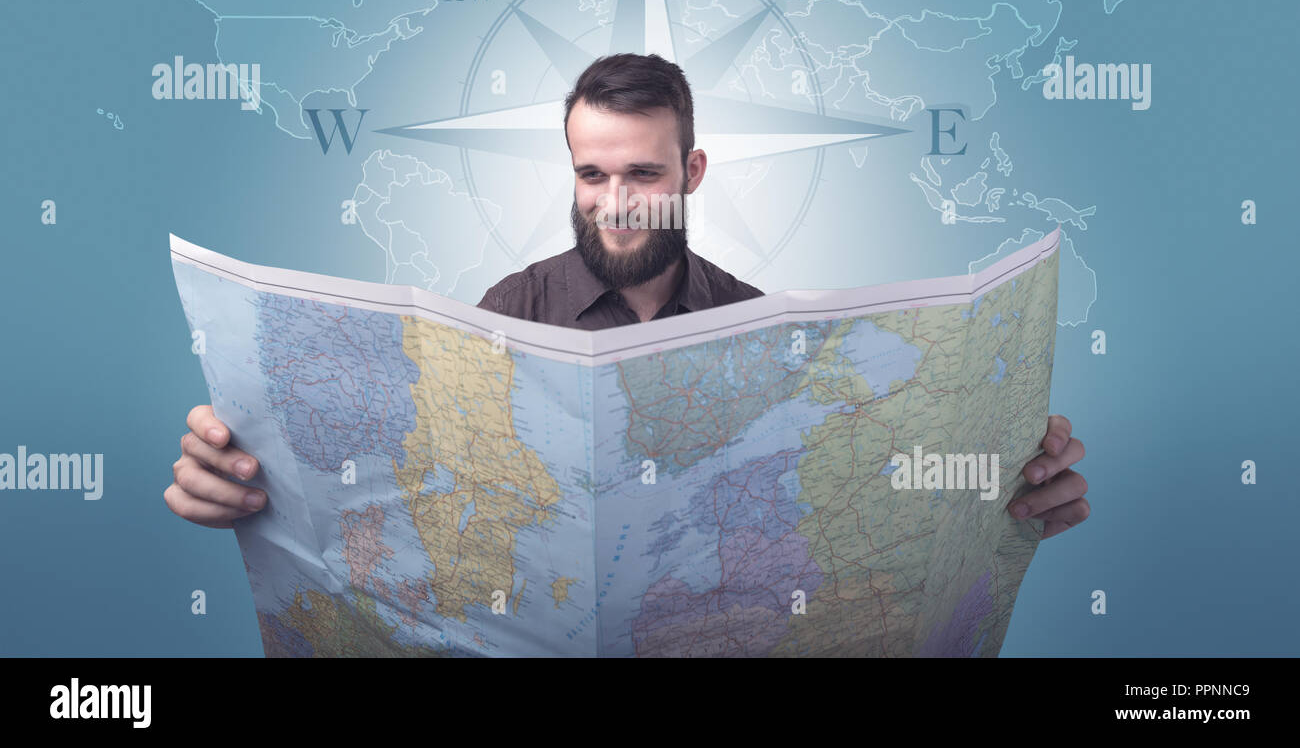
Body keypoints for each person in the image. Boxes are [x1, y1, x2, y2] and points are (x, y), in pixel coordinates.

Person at [166, 53, 1089, 541]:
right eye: (590, 174)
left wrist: (1000, 487)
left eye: (641, 173)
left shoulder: (761, 322)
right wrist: (254, 484)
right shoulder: (505, 309)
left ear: (690, 172)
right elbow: (419, 489)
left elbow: (831, 493)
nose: (613, 204)